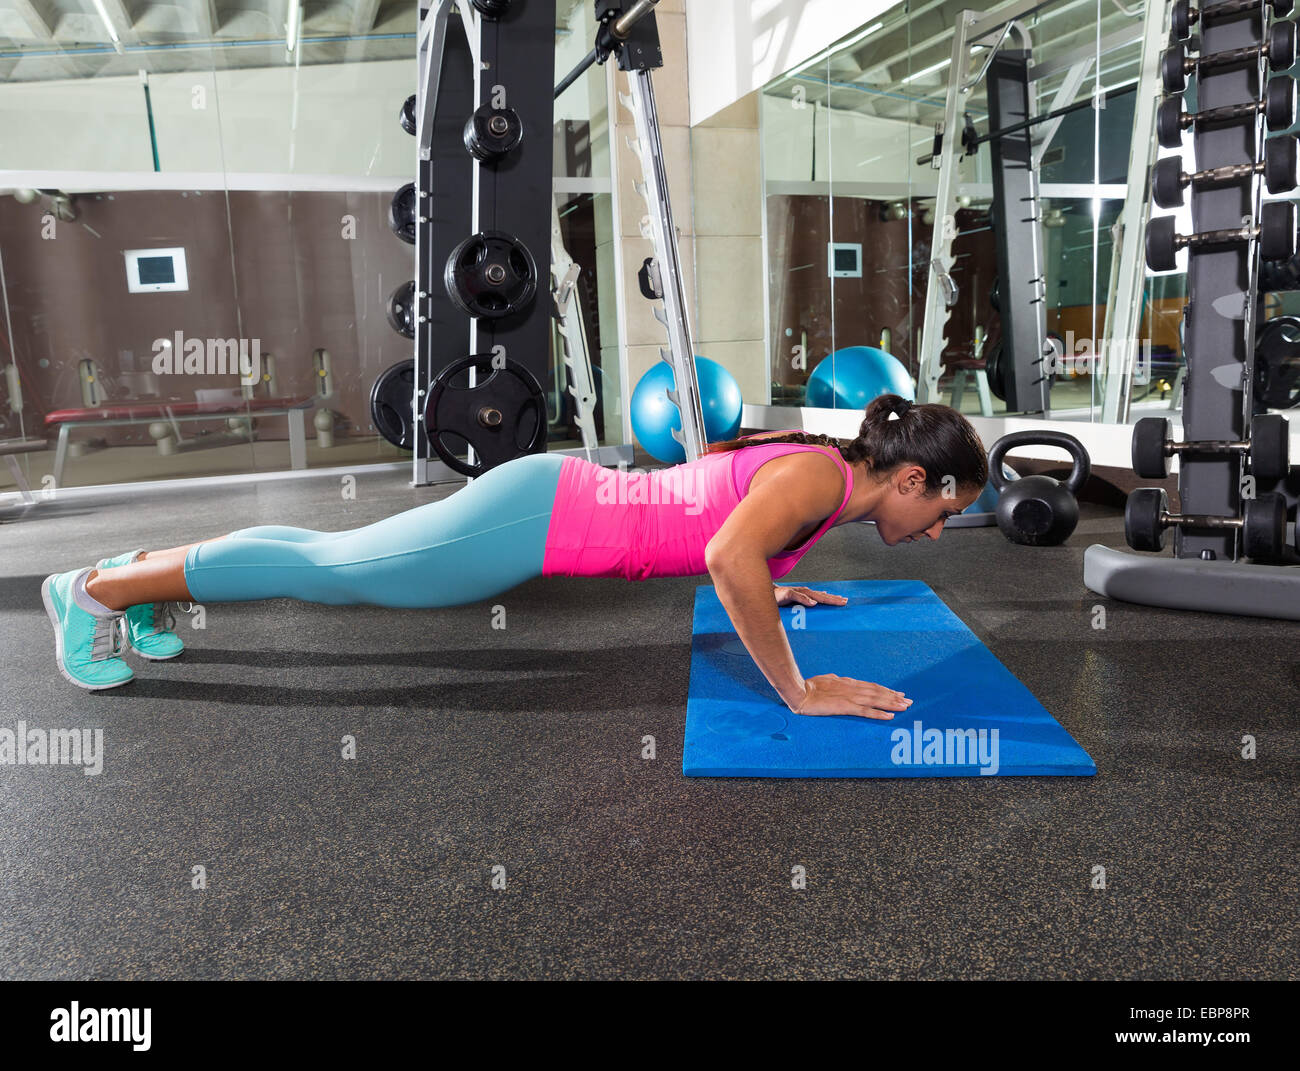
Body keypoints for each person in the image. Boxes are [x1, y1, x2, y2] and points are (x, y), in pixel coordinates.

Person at [42, 393, 988, 717]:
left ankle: (139, 576)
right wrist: (798, 686)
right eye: (946, 508)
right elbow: (726, 554)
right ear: (910, 481)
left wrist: (779, 579)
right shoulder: (821, 481)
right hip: (531, 523)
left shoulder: (825, 479)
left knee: (322, 553)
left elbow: (718, 509)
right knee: (328, 571)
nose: (941, 530)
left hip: (546, 502)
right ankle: (91, 588)